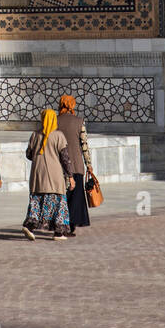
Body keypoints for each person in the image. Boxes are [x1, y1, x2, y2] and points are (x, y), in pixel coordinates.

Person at [23, 108, 74, 240]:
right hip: (54, 175)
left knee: (36, 201)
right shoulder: (59, 136)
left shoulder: (35, 135)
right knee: (59, 202)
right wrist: (70, 176)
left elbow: (29, 154)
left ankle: (30, 226)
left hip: (37, 174)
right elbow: (65, 158)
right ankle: (58, 232)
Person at [56, 93, 93, 235]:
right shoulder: (79, 121)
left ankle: (60, 224)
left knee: (62, 196)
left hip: (59, 165)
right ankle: (71, 225)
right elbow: (84, 145)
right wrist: (88, 164)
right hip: (76, 164)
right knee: (75, 197)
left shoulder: (55, 121)